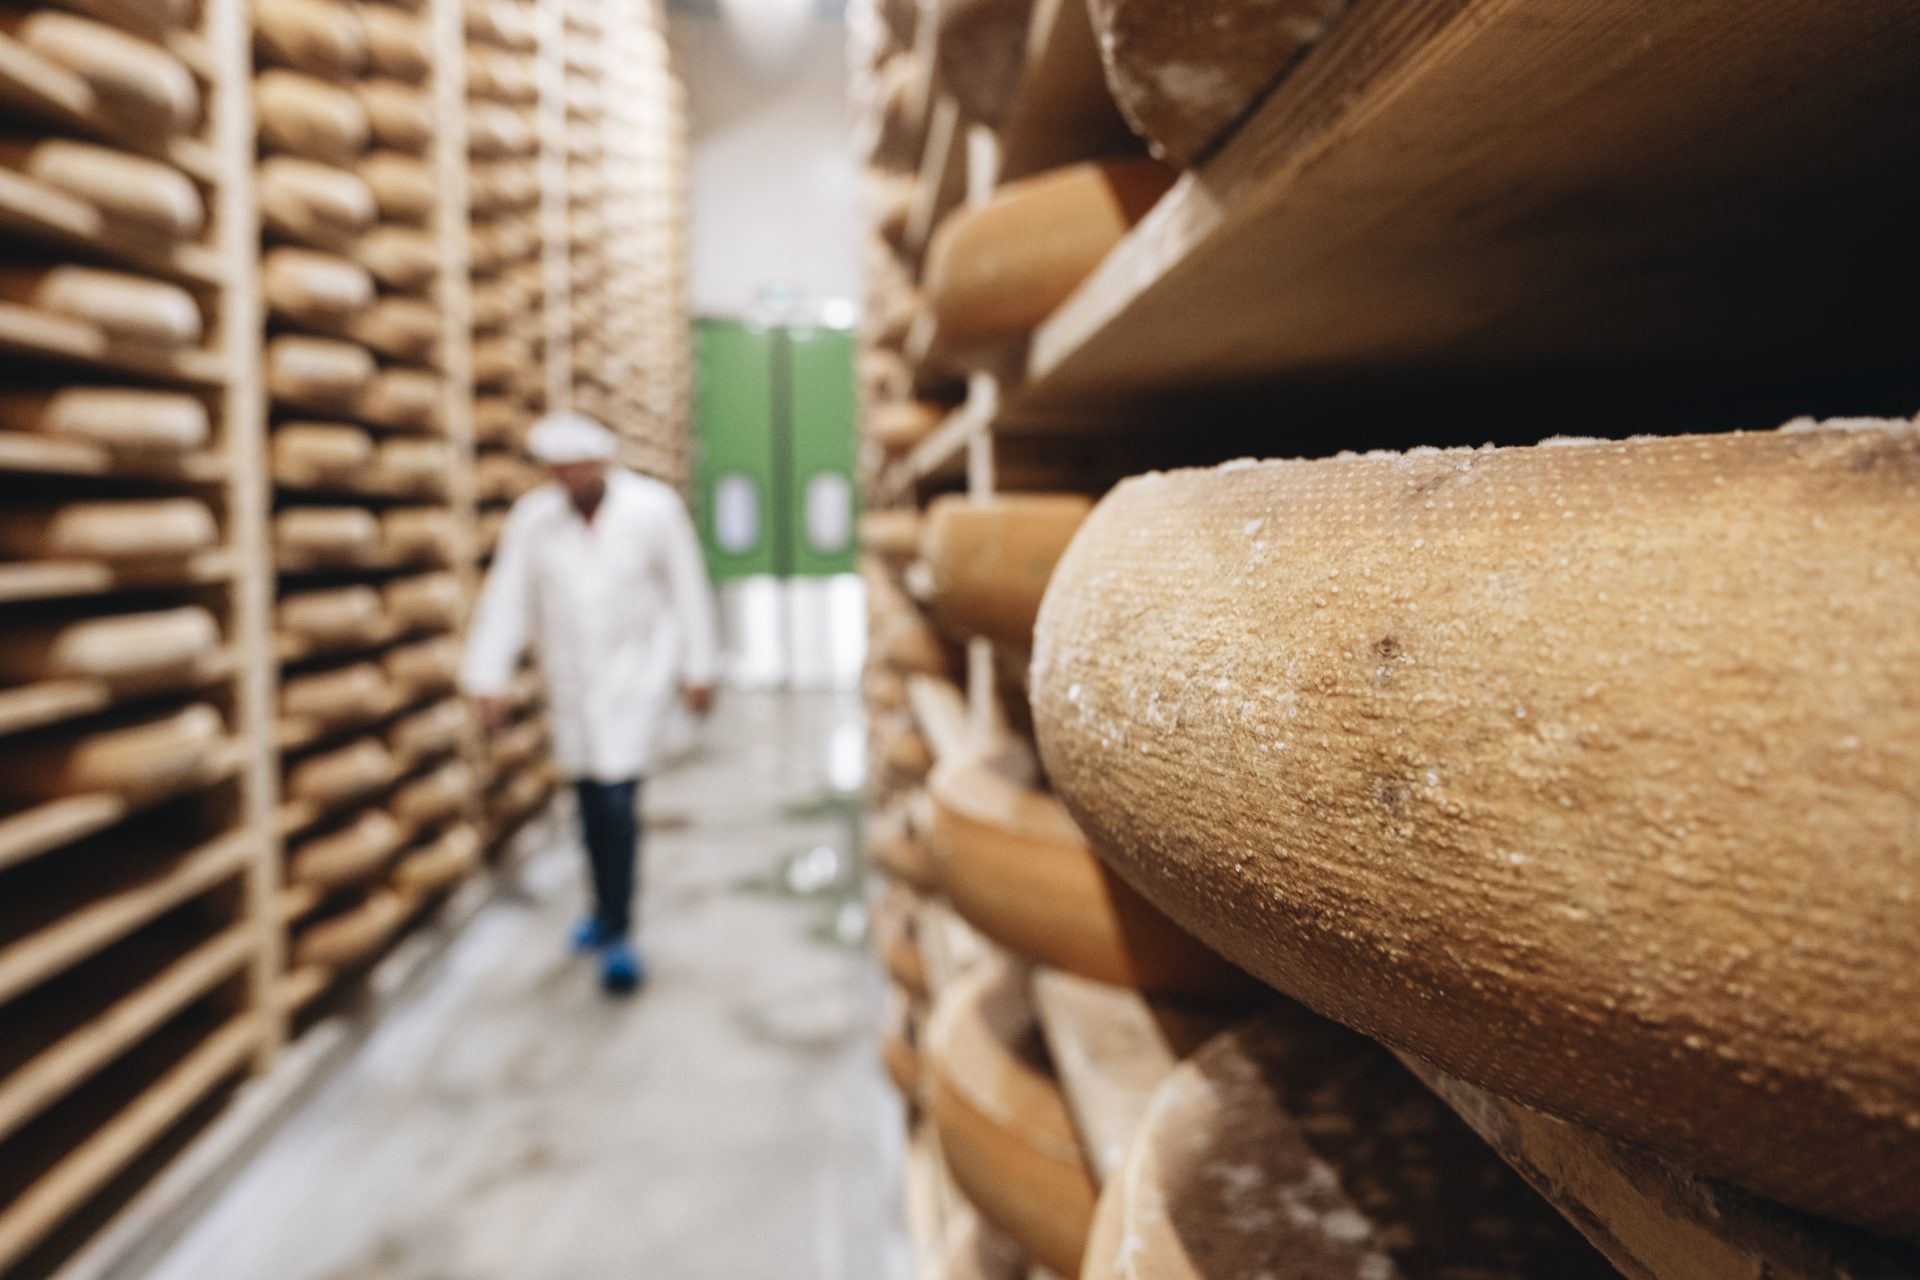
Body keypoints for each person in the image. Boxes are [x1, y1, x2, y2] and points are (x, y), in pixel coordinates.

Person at [462, 411, 718, 995]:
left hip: (636, 679)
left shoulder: (652, 509)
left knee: (617, 802)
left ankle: (620, 932)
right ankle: (601, 909)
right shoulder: (535, 521)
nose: (568, 480)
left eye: (577, 468)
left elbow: (687, 587)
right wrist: (488, 675)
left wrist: (698, 667)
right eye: (558, 471)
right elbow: (508, 599)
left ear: (602, 462)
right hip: (573, 685)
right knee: (588, 800)